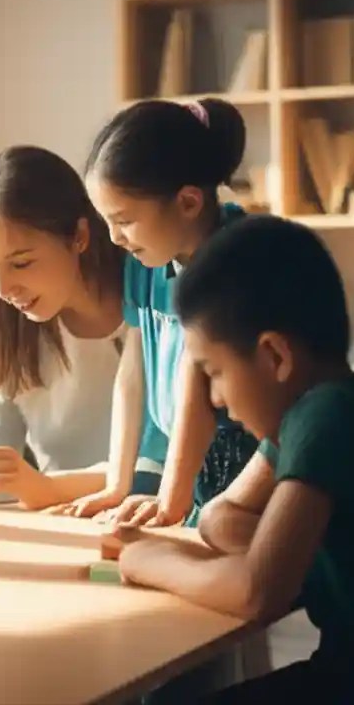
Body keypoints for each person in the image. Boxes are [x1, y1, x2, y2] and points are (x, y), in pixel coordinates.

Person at [117, 215, 354, 704]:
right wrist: (280, 553)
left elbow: (256, 593)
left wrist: (147, 558)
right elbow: (220, 514)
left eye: (214, 372)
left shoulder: (331, 416)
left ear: (275, 357)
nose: (214, 398)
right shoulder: (334, 406)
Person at [0, 145, 167, 509]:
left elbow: (169, 470)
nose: (3, 290)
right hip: (60, 526)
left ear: (79, 237)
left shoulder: (156, 308)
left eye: (21, 263)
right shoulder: (12, 330)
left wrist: (45, 486)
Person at [69, 97, 260, 524]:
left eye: (125, 221)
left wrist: (170, 503)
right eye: (107, 222)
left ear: (188, 202)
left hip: (243, 462)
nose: (115, 238)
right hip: (186, 460)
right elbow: (132, 375)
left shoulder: (237, 256)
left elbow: (199, 394)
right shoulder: (146, 260)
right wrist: (115, 485)